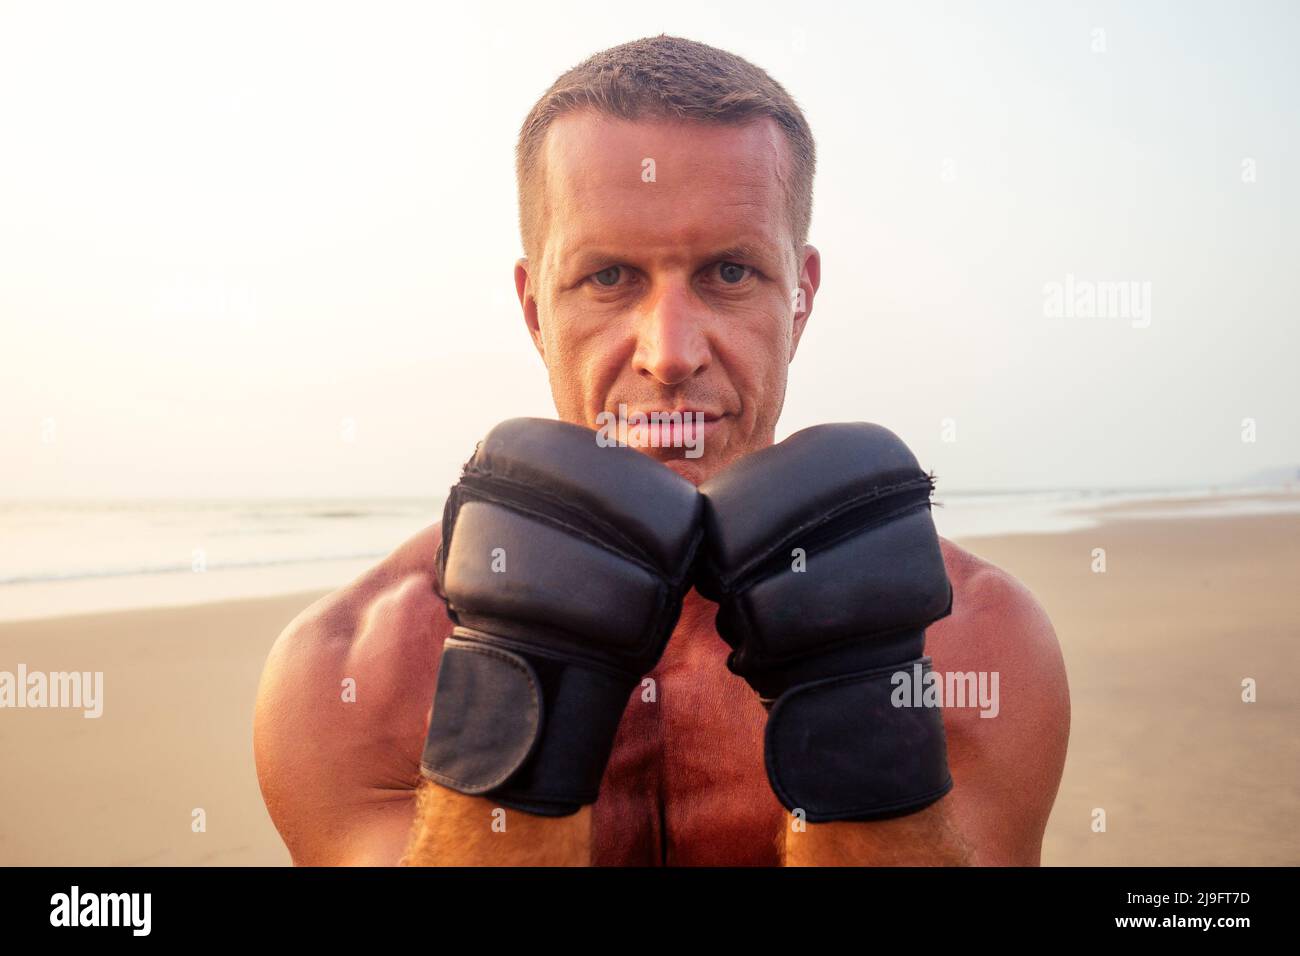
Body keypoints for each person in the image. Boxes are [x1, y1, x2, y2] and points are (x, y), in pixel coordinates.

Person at [253, 34, 1069, 866]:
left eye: (728, 272)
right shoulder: (355, 669)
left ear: (801, 296)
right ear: (536, 309)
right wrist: (516, 702)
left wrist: (858, 712)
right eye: (609, 277)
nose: (670, 351)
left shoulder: (975, 640)